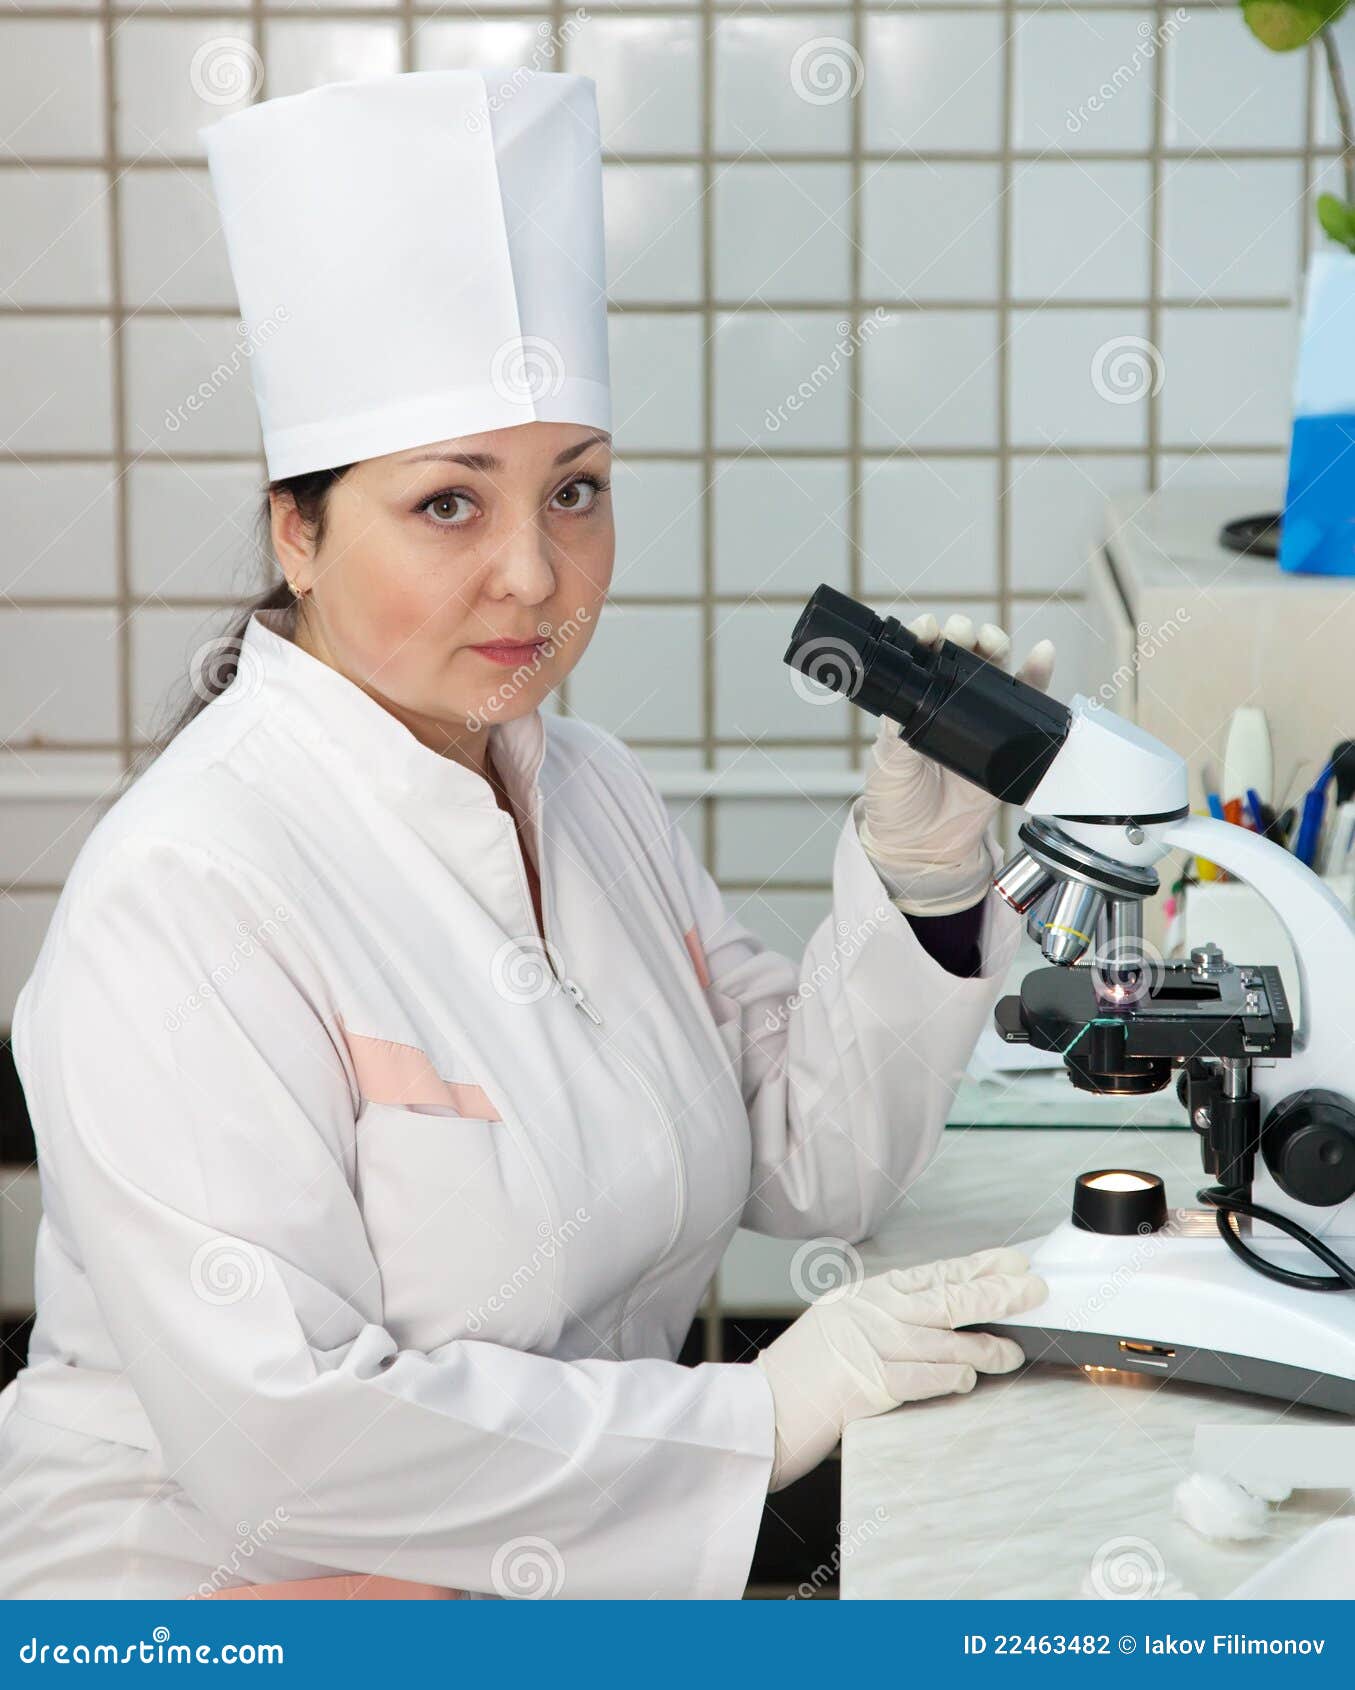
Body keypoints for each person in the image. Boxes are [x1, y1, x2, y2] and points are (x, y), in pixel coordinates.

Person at [0, 67, 1052, 1599]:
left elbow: (811, 1160)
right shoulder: (182, 891)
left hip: (555, 1593)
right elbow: (283, 1442)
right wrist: (760, 1407)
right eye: (447, 504)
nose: (534, 577)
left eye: (576, 491)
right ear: (298, 531)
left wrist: (927, 879)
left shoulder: (593, 792)